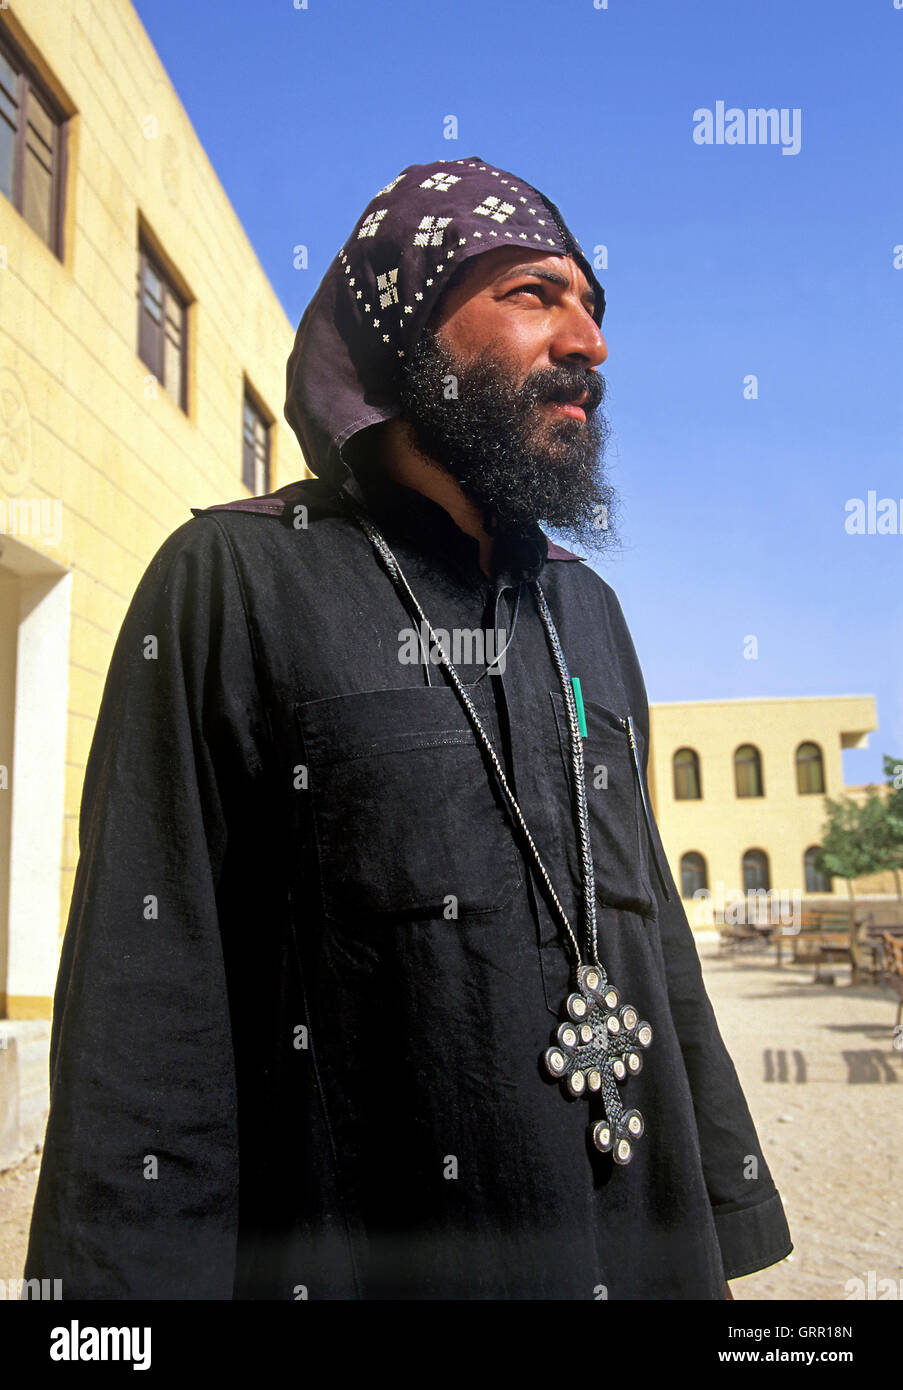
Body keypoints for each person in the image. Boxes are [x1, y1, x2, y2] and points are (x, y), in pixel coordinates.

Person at [25, 157, 792, 1300]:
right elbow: (153, 1003)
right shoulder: (232, 581)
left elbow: (649, 940)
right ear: (410, 325)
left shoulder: (586, 608)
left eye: (592, 304)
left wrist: (721, 1210)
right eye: (535, 294)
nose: (588, 340)